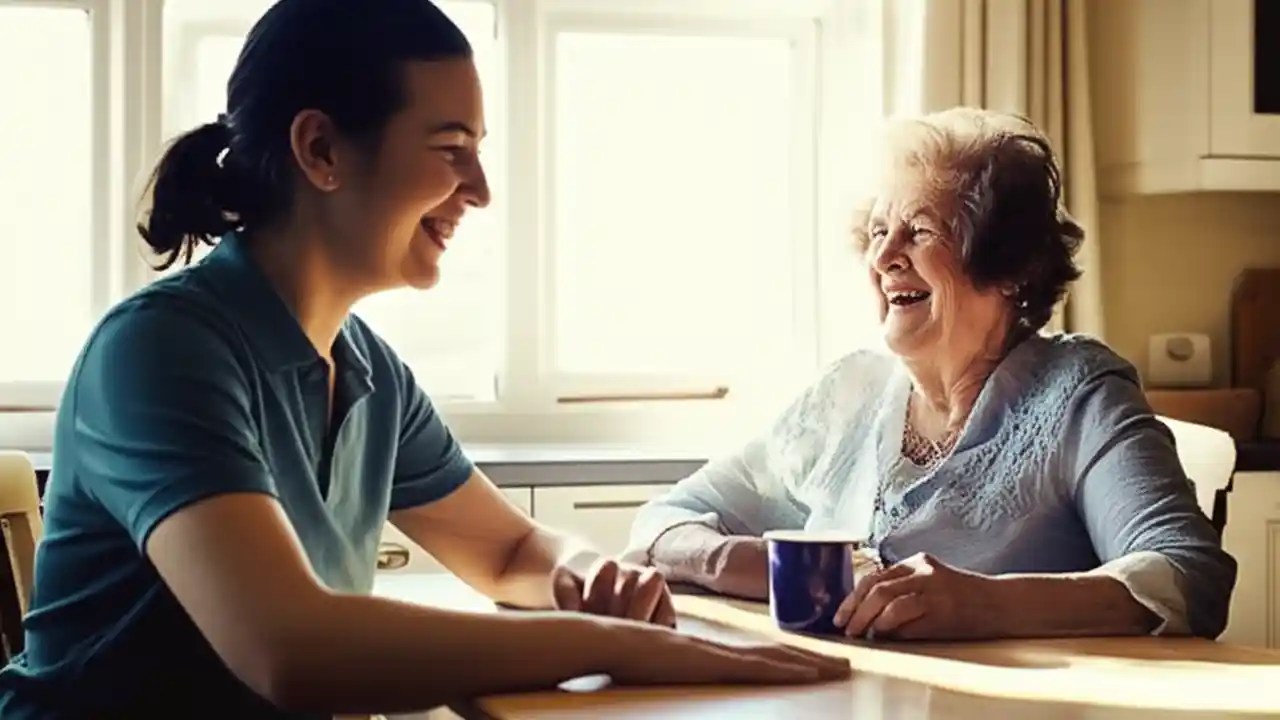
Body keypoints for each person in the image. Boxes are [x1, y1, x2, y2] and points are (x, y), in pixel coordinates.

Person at [0, 1, 848, 717]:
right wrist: (607, 643)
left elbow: (510, 553)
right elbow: (288, 649)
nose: (479, 189)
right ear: (321, 150)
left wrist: (585, 573)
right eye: (450, 149)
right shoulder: (160, 350)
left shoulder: (365, 369)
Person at [628, 108, 1236, 642]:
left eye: (918, 231)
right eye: (877, 231)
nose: (884, 255)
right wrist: (751, 563)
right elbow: (665, 520)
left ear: (1008, 266)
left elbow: (1187, 574)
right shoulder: (849, 392)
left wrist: (988, 603)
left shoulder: (1079, 393)